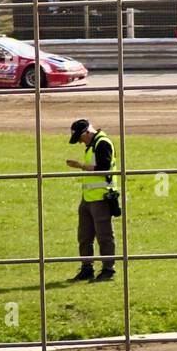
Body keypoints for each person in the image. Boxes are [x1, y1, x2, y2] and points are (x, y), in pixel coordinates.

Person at [66, 118, 119, 283]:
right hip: (88, 198)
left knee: (104, 236)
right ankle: (87, 269)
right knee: (84, 236)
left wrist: (80, 165)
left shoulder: (102, 143)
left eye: (81, 139)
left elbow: (103, 168)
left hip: (101, 198)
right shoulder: (92, 145)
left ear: (87, 132)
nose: (81, 142)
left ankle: (108, 270)